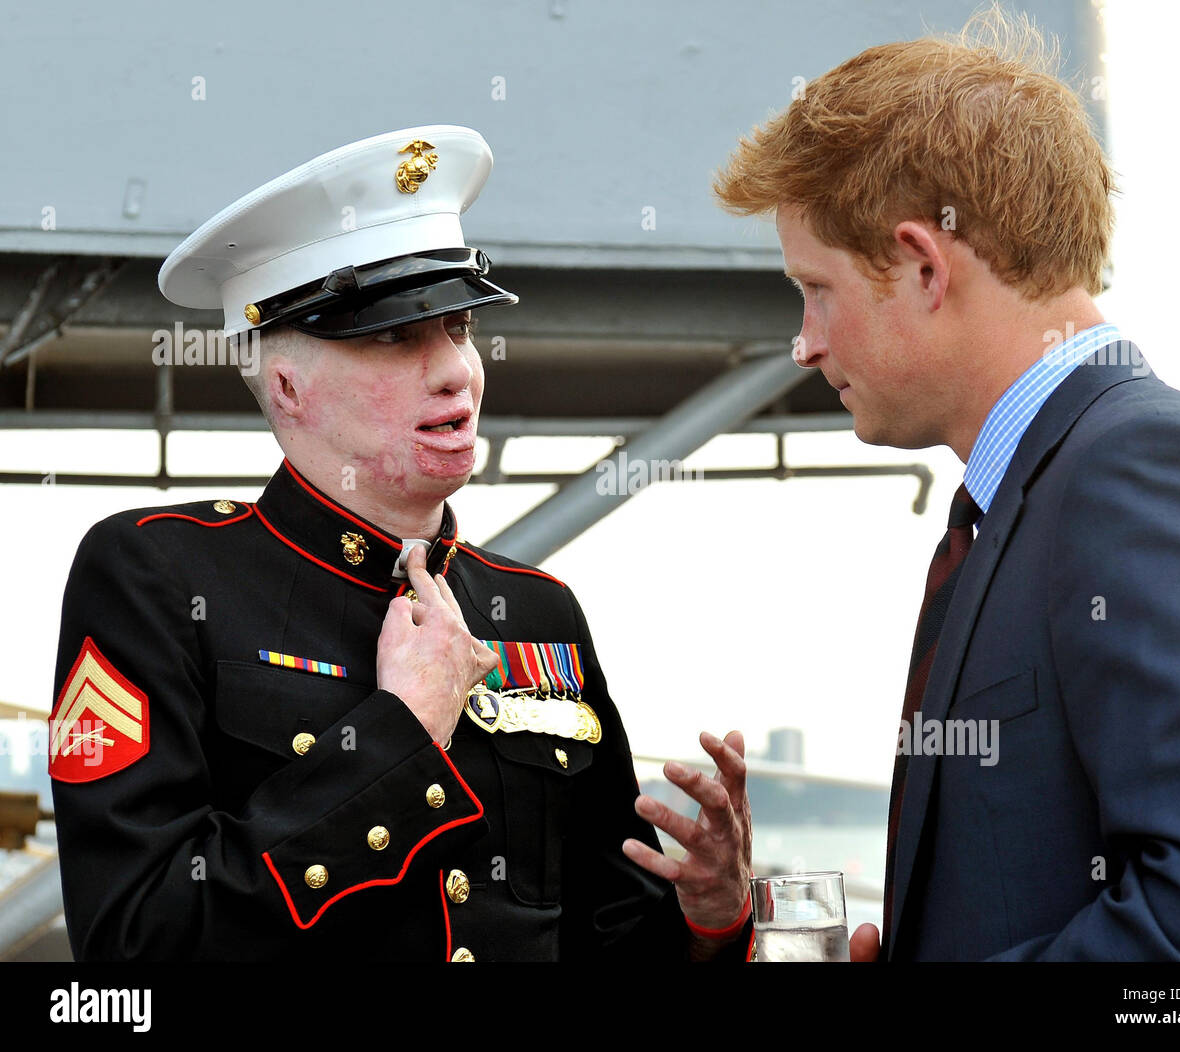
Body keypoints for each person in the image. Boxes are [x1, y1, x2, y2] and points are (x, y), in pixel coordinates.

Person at [48, 125, 752, 962]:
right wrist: (400, 734)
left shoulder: (537, 611)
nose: (455, 368)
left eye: (456, 326)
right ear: (286, 384)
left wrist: (712, 917)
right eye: (395, 337)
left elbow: (604, 939)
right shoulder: (157, 570)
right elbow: (136, 944)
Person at [713, 8, 1180, 960]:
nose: (807, 342)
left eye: (816, 289)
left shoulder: (1142, 473)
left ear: (921, 264)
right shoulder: (1046, 490)